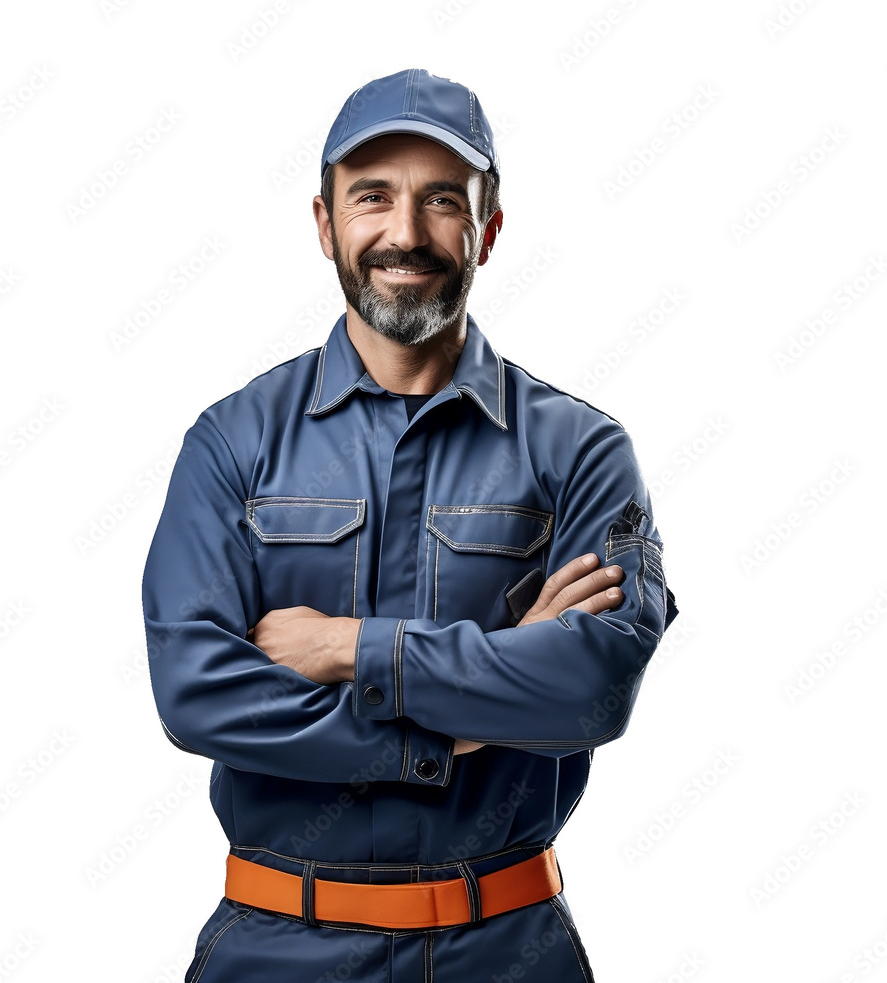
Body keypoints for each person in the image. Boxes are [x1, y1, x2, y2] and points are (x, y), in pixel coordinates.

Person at [142, 68, 678, 983]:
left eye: (441, 200)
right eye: (372, 197)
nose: (404, 232)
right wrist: (454, 724)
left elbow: (592, 688)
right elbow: (197, 690)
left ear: (489, 228)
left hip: (509, 950)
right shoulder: (232, 441)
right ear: (325, 225)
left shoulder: (582, 452)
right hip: (277, 950)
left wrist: (350, 646)